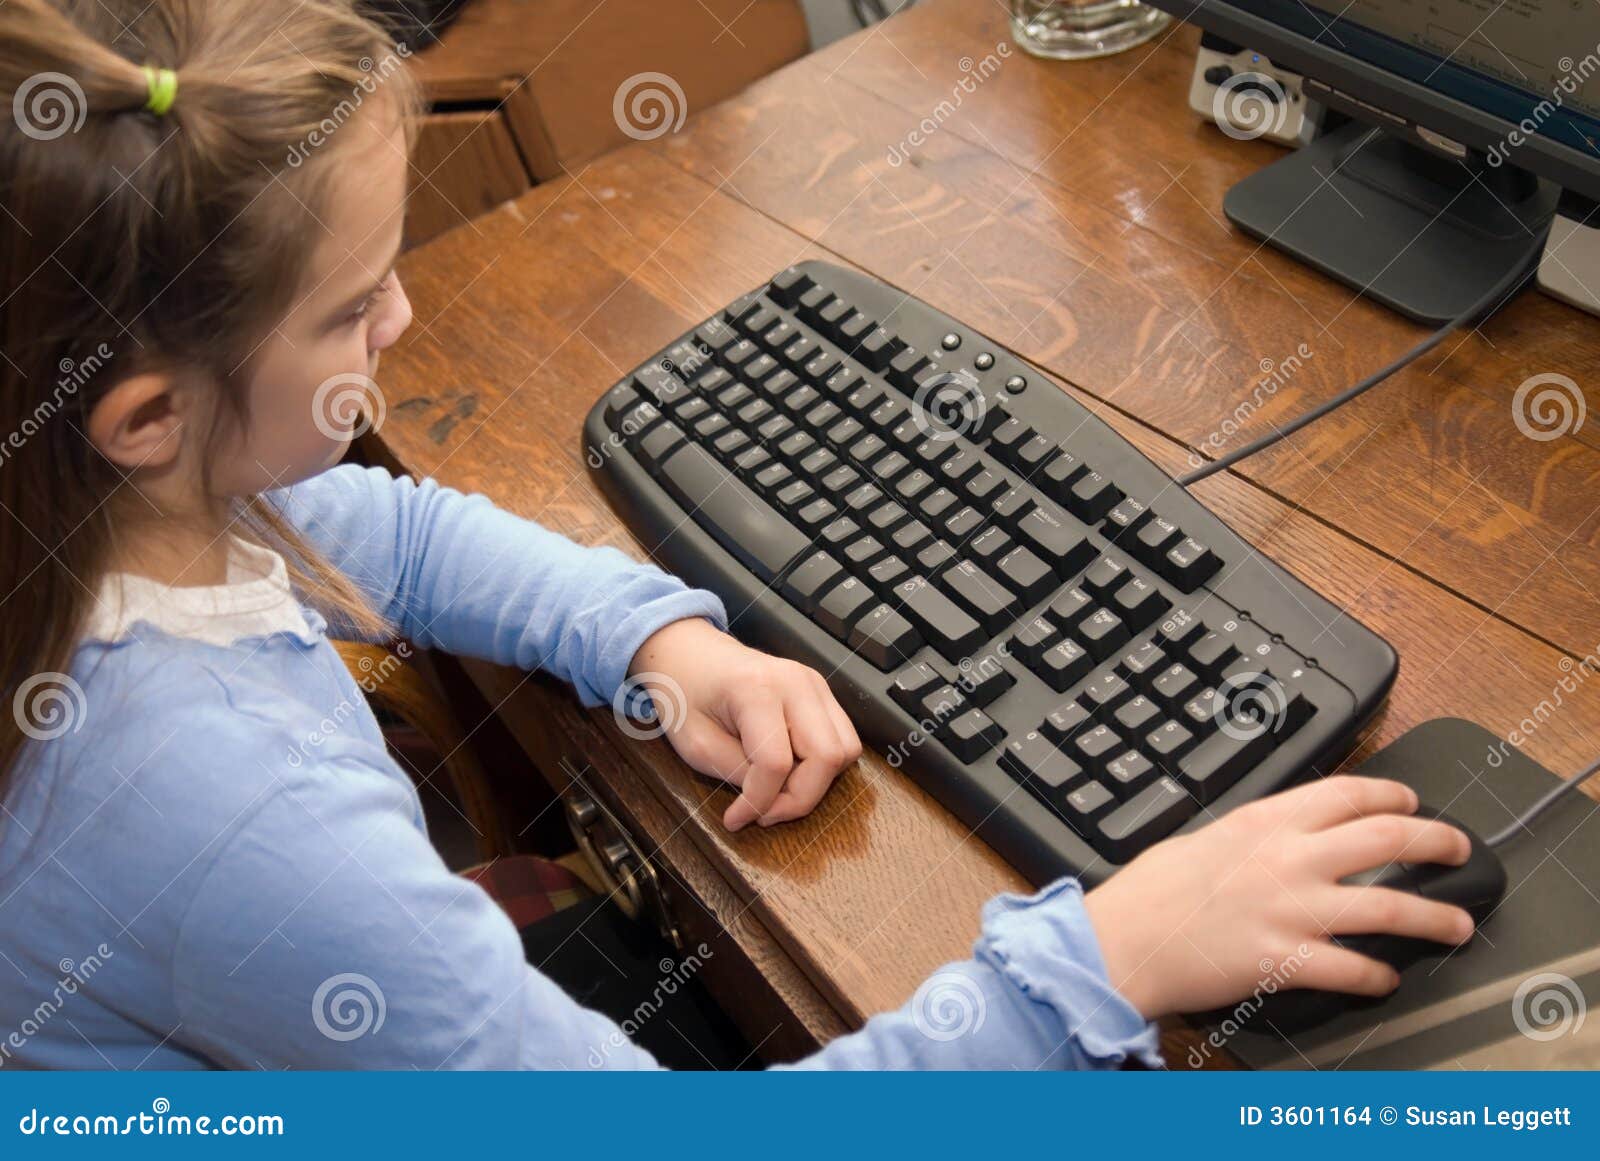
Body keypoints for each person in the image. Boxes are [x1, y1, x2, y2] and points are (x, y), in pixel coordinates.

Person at [0, 0, 1476, 1070]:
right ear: (140, 416)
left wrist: (646, 631)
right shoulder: (231, 825)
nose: (404, 320)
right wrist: (1107, 960)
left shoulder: (105, 501)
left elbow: (377, 526)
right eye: (351, 308)